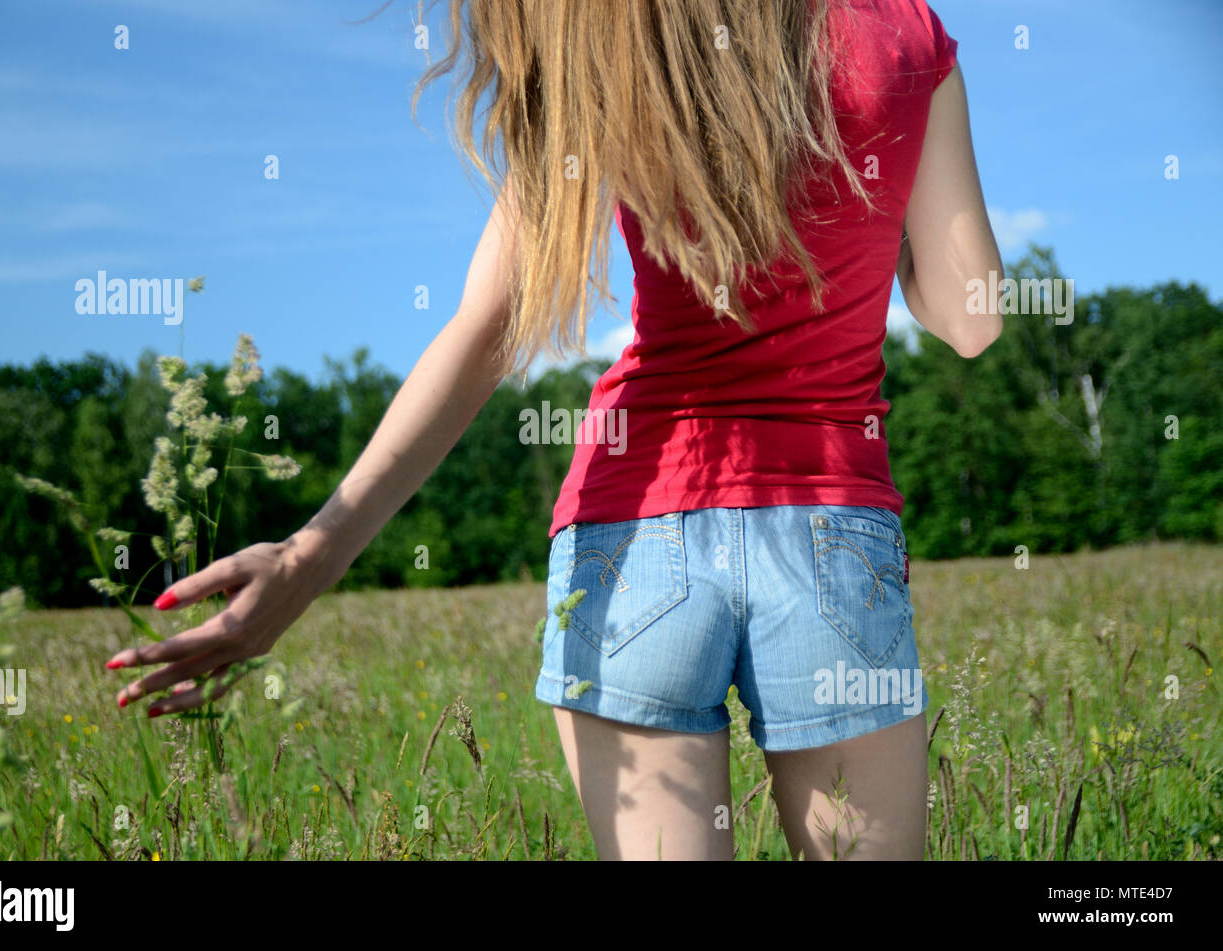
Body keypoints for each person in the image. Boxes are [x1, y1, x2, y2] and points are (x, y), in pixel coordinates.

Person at [105, 0, 1003, 861]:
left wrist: (311, 555)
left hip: (632, 530)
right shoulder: (903, 29)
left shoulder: (610, 34)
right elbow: (973, 319)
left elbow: (487, 327)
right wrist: (870, 235)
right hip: (829, 534)